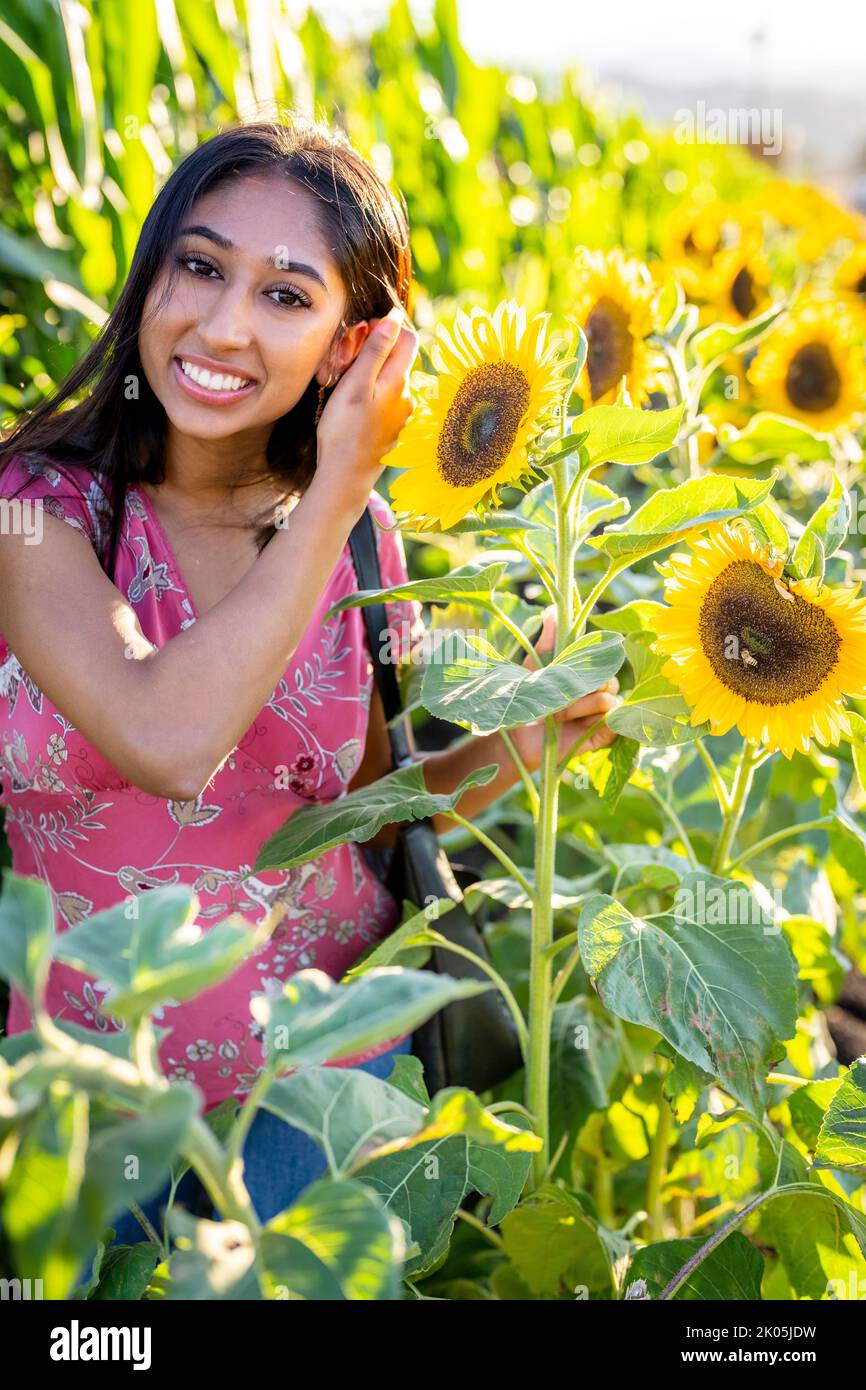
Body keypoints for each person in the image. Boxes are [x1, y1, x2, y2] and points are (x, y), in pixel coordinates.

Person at [0, 116, 619, 1258]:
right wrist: (342, 482)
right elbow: (163, 733)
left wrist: (526, 735)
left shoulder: (361, 544)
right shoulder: (38, 510)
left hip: (318, 1090)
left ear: (351, 347)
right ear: (150, 279)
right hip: (79, 1098)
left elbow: (363, 822)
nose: (223, 324)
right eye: (199, 266)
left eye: (287, 296)